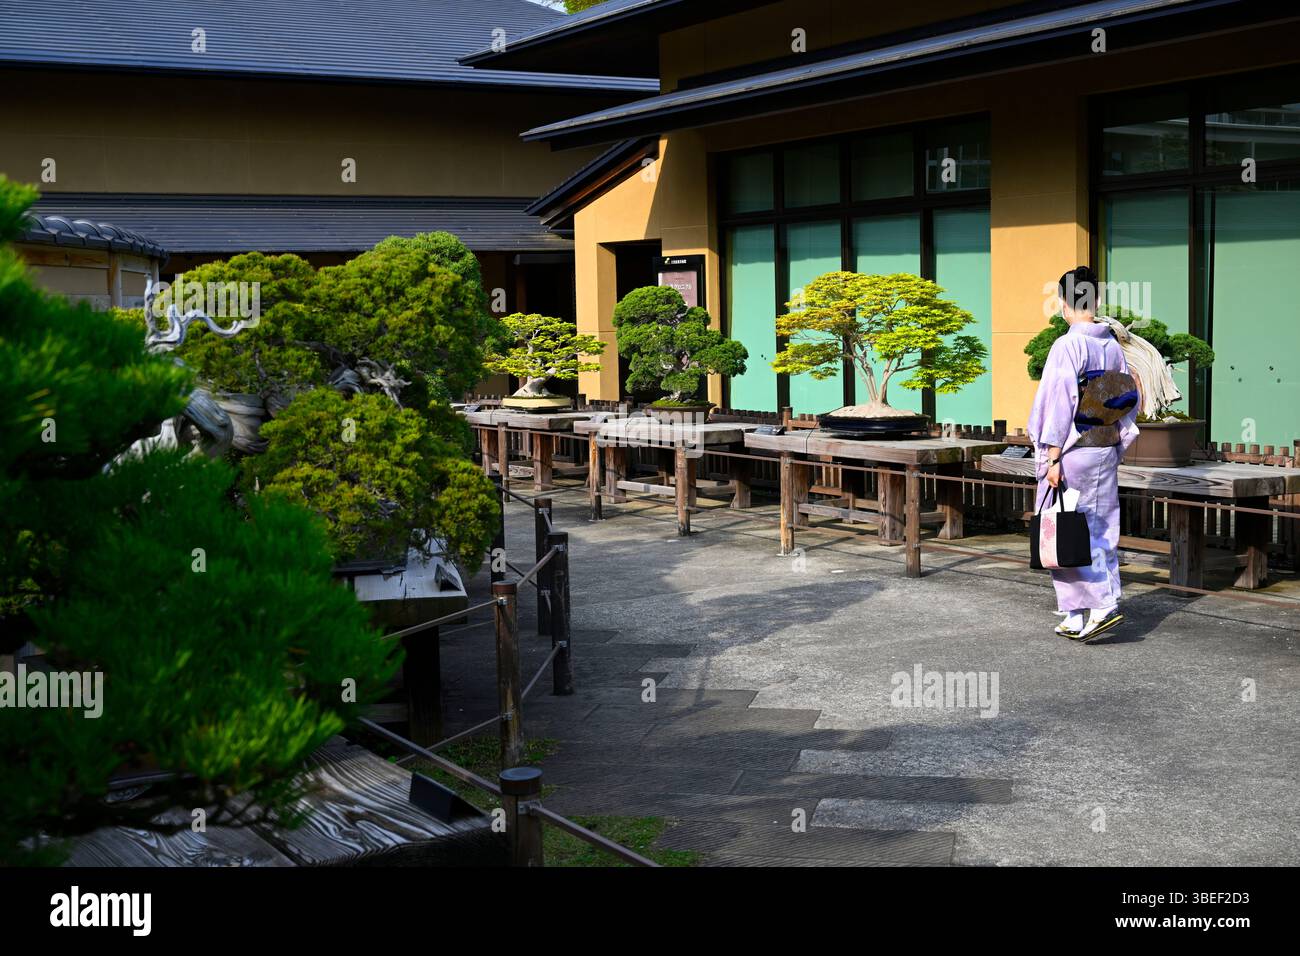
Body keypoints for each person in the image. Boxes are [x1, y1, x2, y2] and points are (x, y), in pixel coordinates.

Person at [1027, 266, 1139, 642]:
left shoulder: (1068, 344)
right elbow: (1125, 400)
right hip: (1104, 444)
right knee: (1088, 526)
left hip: (1074, 449)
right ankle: (1075, 611)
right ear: (1096, 301)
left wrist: (1053, 455)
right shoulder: (1111, 345)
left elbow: (1060, 402)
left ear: (1063, 304)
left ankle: (1103, 605)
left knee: (1074, 527)